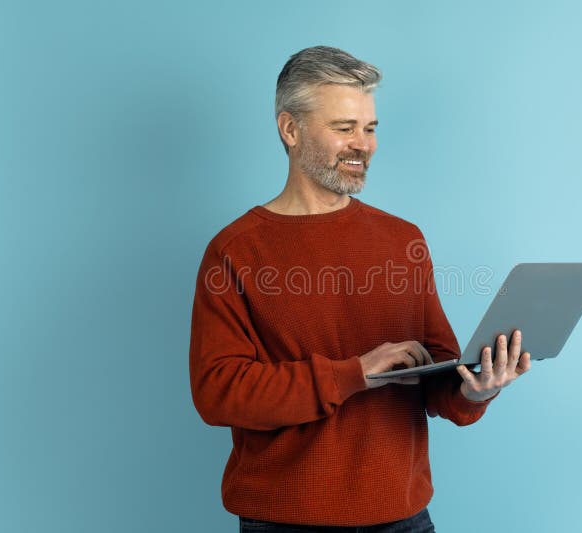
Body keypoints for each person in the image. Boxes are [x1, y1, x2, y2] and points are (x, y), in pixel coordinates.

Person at [189, 45, 532, 532]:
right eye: (344, 128)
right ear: (290, 129)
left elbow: (435, 377)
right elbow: (218, 393)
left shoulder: (402, 239)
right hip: (285, 521)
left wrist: (477, 390)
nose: (363, 144)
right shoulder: (235, 251)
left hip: (402, 517)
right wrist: (353, 374)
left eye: (369, 129)